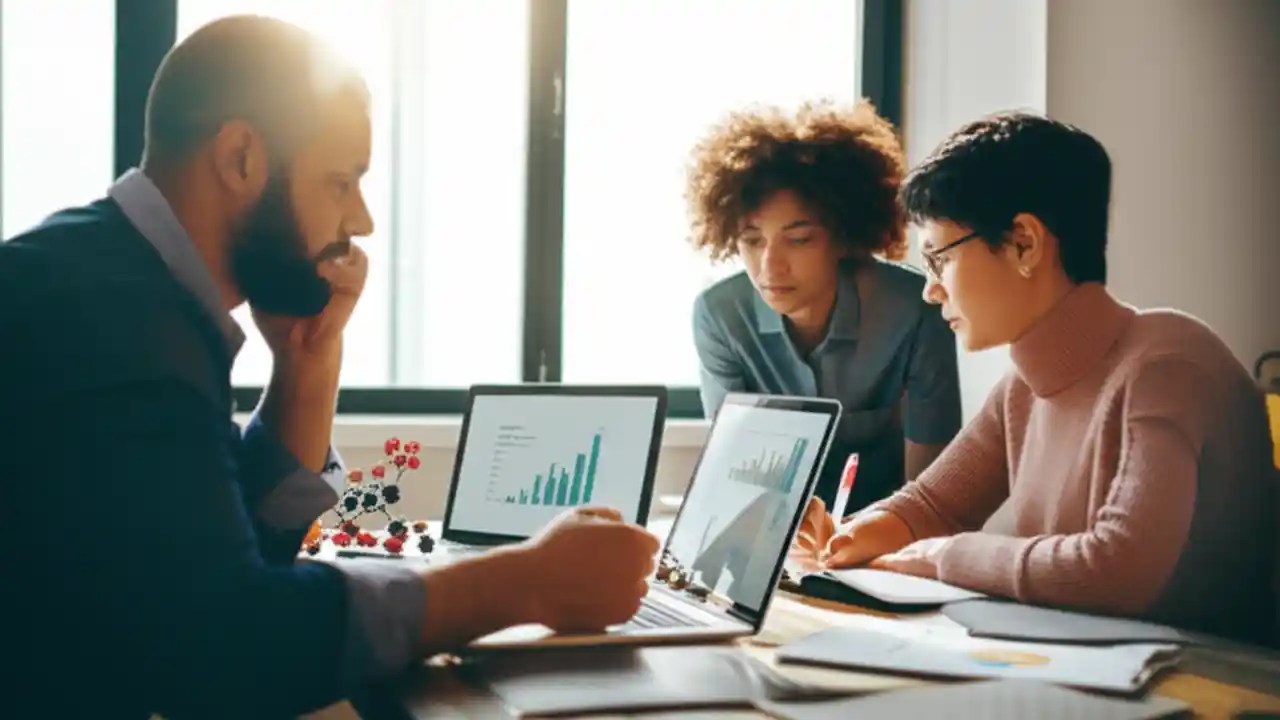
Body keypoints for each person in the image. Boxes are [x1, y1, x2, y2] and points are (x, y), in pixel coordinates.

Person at [0, 16, 657, 718]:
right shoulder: (117, 327)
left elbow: (227, 559)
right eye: (341, 181)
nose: (362, 220)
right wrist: (524, 583)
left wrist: (306, 362)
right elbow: (227, 650)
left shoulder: (114, 281)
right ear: (242, 158)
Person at [796, 111, 1276, 643]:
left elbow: (1117, 570)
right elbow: (933, 506)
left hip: (1214, 674)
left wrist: (942, 556)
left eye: (938, 260)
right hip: (1093, 663)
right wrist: (850, 535)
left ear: (1024, 243)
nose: (931, 290)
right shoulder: (1021, 388)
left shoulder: (1168, 366)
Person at [686, 100, 962, 515]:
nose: (770, 267)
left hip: (890, 535)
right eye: (752, 240)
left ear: (844, 236)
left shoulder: (915, 309)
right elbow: (736, 474)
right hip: (774, 533)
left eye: (799, 240)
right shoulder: (719, 317)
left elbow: (932, 492)